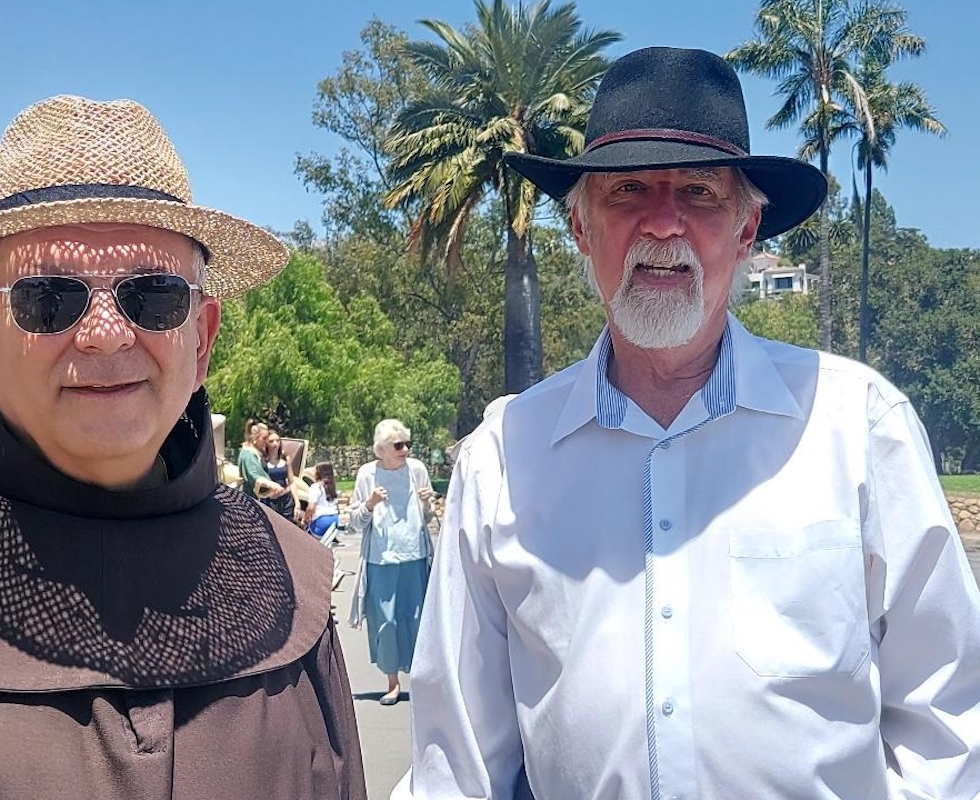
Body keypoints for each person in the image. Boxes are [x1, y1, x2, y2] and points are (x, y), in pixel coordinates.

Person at [398, 47, 980, 800]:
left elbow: (949, 723)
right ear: (580, 227)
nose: (664, 223)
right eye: (629, 189)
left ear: (747, 229)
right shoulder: (504, 460)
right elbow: (457, 767)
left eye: (700, 191)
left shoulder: (858, 428)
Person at [0, 95, 365, 799]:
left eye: (153, 296)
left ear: (202, 338)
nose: (106, 336)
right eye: (49, 298)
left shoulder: (295, 597)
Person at [347, 419, 434, 706]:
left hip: (414, 556)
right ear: (381, 449)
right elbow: (354, 521)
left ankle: (421, 681)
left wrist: (427, 503)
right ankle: (392, 682)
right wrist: (370, 504)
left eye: (407, 444)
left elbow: (427, 517)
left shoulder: (417, 470)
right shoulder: (367, 474)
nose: (405, 450)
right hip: (380, 559)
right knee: (386, 623)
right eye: (398, 445)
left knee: (417, 622)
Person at [237, 418, 282, 500]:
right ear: (255, 438)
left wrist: (271, 493)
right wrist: (273, 485)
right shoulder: (248, 455)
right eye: (264, 438)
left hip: (256, 498)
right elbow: (255, 477)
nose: (266, 441)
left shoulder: (257, 452)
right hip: (248, 499)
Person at [262, 427, 298, 522]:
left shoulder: (285, 459)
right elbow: (259, 484)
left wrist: (297, 503)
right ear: (266, 443)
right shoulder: (262, 461)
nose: (275, 444)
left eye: (277, 441)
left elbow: (292, 482)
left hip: (286, 500)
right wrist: (268, 494)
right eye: (271, 441)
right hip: (269, 501)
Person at [304, 461, 341, 542]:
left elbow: (311, 507)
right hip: (334, 518)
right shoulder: (332, 486)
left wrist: (306, 519)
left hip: (321, 521)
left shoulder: (315, 487)